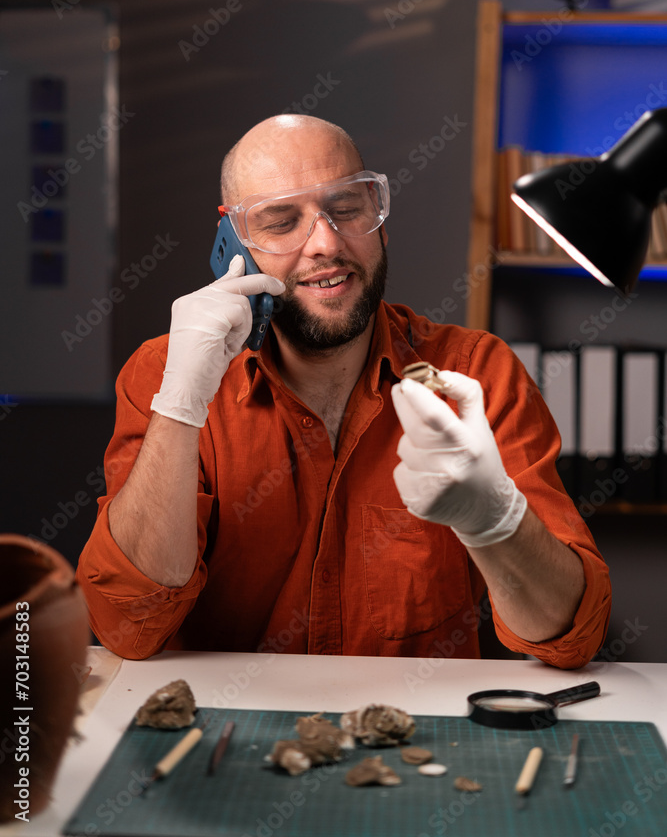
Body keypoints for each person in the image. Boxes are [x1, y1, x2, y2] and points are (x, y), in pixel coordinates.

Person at [76, 114, 610, 667]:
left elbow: (567, 638)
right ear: (232, 240)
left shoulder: (474, 375)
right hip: (223, 736)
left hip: (414, 742)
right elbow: (127, 626)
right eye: (282, 221)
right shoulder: (165, 373)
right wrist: (182, 404)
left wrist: (497, 521)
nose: (326, 244)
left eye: (347, 208)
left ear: (377, 219)